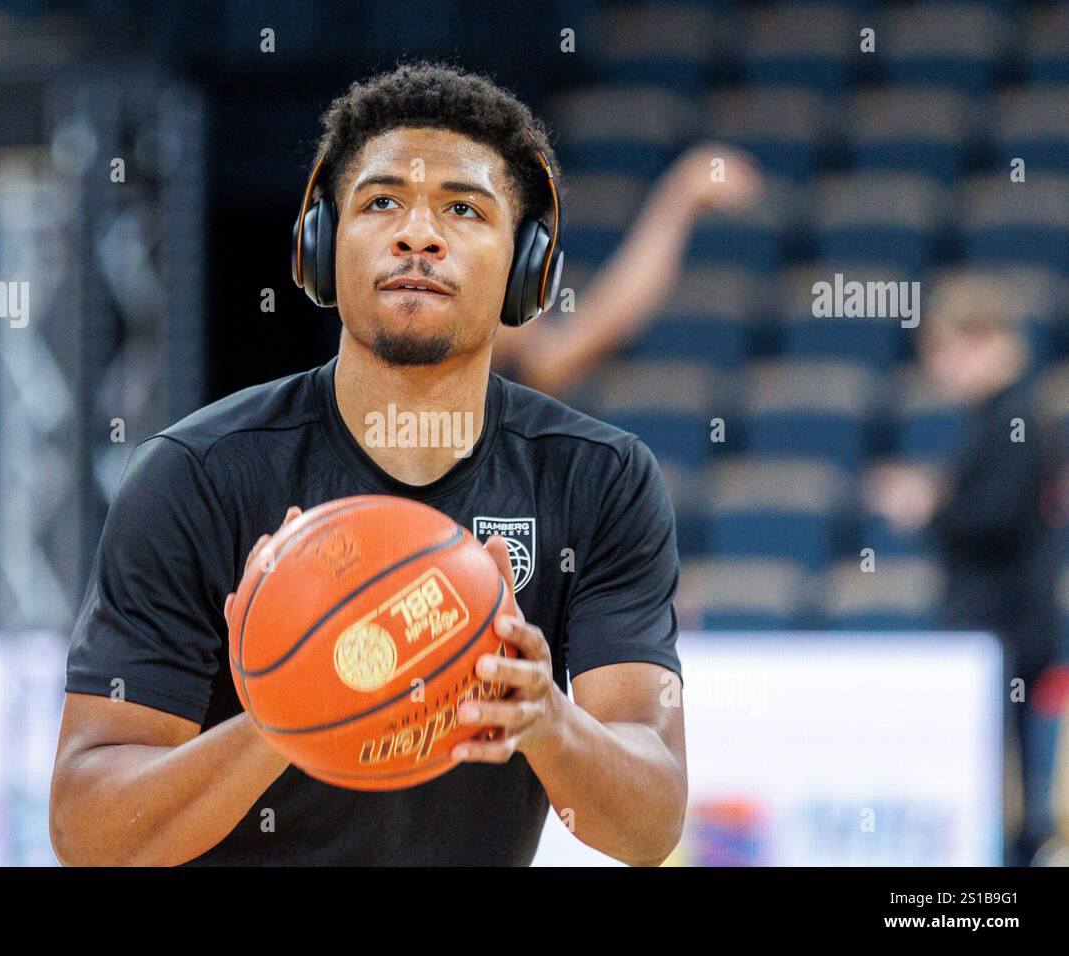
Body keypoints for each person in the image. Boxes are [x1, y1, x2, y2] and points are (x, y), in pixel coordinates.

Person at [50, 60, 687, 866]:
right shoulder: (194, 476)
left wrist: (546, 721)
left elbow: (650, 821)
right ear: (318, 244)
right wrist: (289, 708)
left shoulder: (601, 480)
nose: (417, 234)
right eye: (382, 201)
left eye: (463, 209)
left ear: (528, 270)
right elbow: (85, 833)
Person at [863, 274, 1064, 865]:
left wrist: (930, 506)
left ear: (983, 342)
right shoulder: (1001, 420)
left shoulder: (1015, 421)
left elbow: (995, 519)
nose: (941, 372)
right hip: (1003, 628)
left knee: (1008, 784)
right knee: (1002, 777)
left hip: (1008, 630)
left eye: (946, 353)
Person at [493, 141, 762, 398]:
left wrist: (681, 199)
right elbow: (593, 332)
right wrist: (680, 198)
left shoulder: (502, 384)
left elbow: (597, 327)